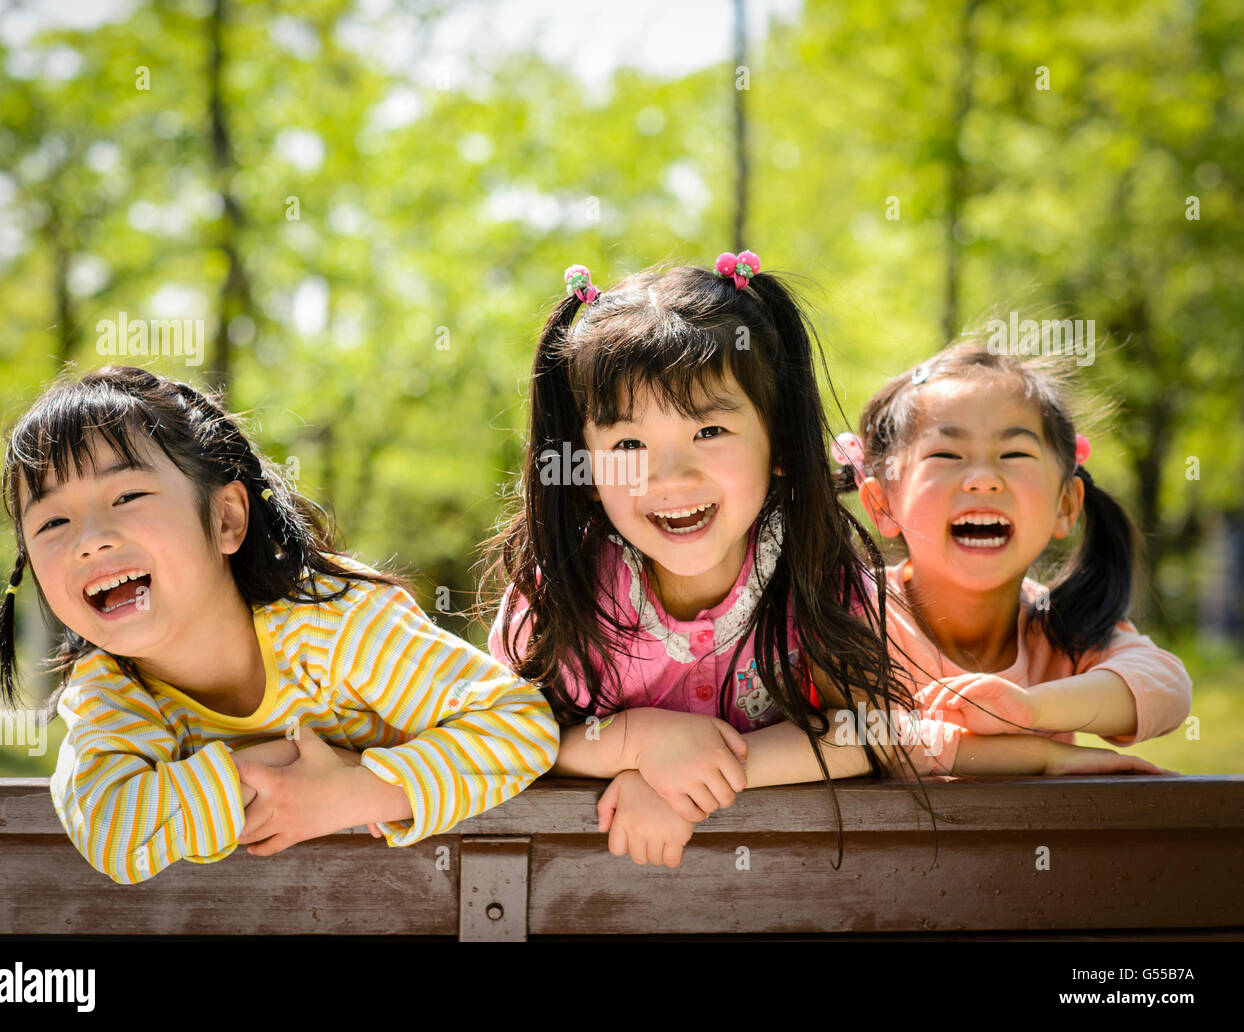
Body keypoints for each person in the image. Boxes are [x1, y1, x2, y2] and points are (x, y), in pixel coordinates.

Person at [482, 255, 1166, 869]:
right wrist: (635, 742)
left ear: (780, 444)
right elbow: (503, 736)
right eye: (628, 444)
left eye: (711, 430)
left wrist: (696, 771)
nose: (671, 475)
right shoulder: (560, 593)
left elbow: (867, 735)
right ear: (583, 460)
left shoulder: (812, 575)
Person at [0, 365, 558, 884]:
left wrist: (353, 793)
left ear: (227, 517)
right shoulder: (109, 690)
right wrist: (279, 774)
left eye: (128, 494)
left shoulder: (333, 624)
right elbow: (111, 826)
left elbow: (519, 724)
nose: (91, 540)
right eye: (53, 521)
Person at [834, 335, 1191, 749]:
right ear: (882, 505)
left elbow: (1167, 688)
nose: (983, 479)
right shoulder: (851, 615)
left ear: (1066, 505)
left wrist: (1030, 708)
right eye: (947, 455)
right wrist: (1039, 755)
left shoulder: (1061, 630)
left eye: (1015, 454)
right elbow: (850, 736)